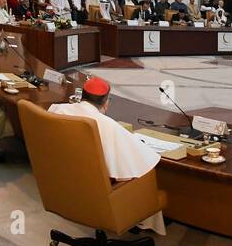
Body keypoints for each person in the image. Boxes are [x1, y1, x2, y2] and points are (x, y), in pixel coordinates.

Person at [48, 76, 165, 233]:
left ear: (82, 95)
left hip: (63, 184)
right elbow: (137, 164)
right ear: (106, 101)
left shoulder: (58, 110)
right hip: (98, 196)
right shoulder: (107, 125)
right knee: (144, 172)